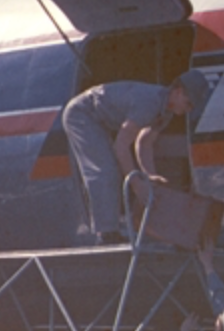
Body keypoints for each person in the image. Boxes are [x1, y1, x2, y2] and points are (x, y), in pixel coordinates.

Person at [62, 69, 210, 245]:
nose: (188, 110)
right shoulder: (149, 102)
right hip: (82, 114)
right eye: (188, 104)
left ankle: (110, 229)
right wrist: (137, 185)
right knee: (105, 169)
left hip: (101, 120)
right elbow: (121, 146)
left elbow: (145, 142)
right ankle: (106, 233)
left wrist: (149, 176)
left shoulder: (166, 112)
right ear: (178, 92)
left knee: (111, 167)